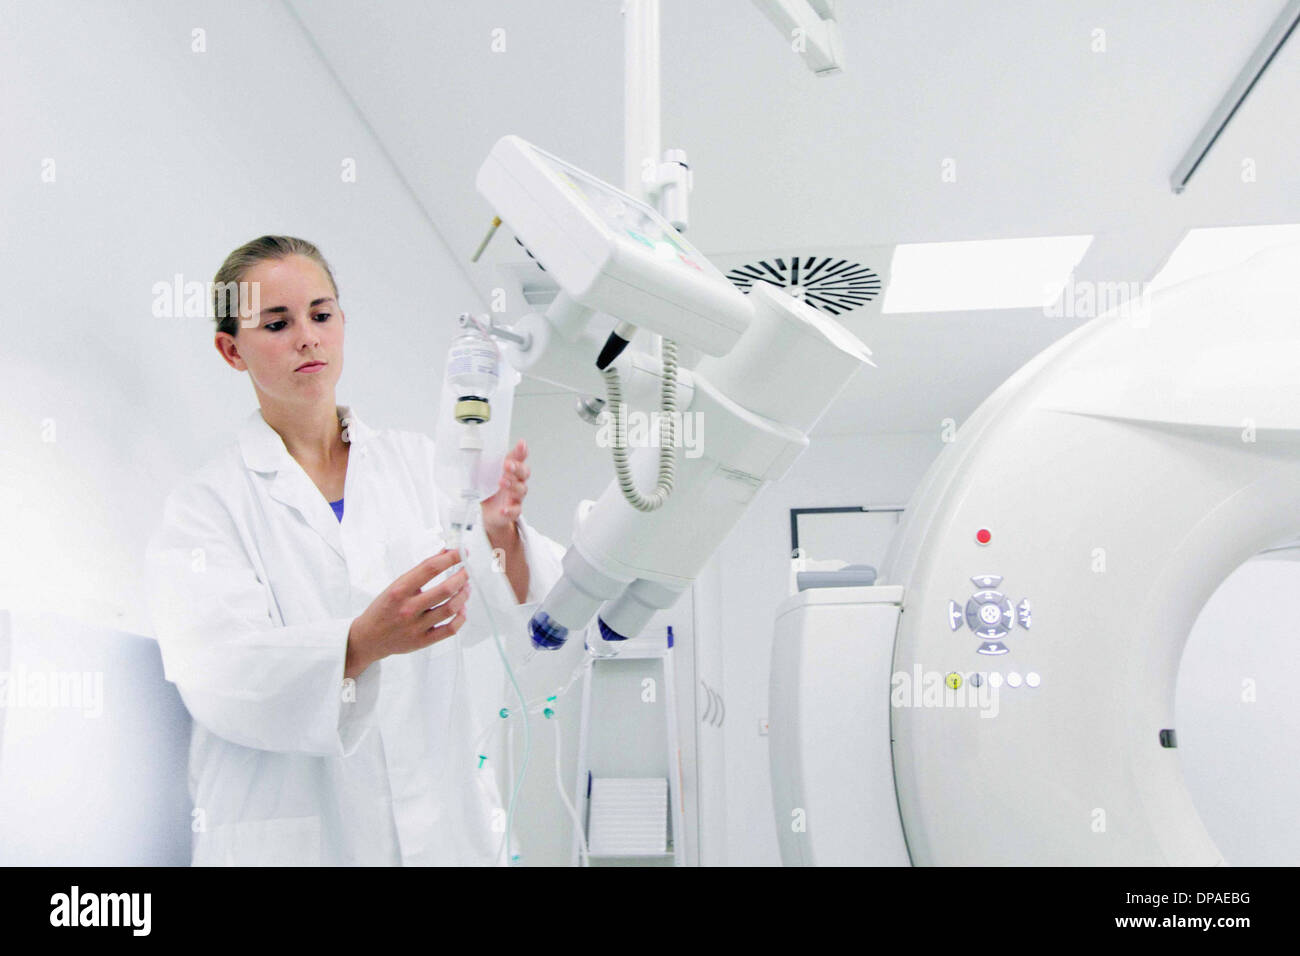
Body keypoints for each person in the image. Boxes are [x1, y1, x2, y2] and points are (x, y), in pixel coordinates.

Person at [144, 235, 566, 865]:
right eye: (277, 323)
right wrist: (360, 643)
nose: (308, 338)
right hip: (302, 836)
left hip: (441, 831)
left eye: (321, 314)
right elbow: (217, 671)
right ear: (232, 350)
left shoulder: (419, 466)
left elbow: (502, 610)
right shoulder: (207, 506)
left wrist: (501, 535)